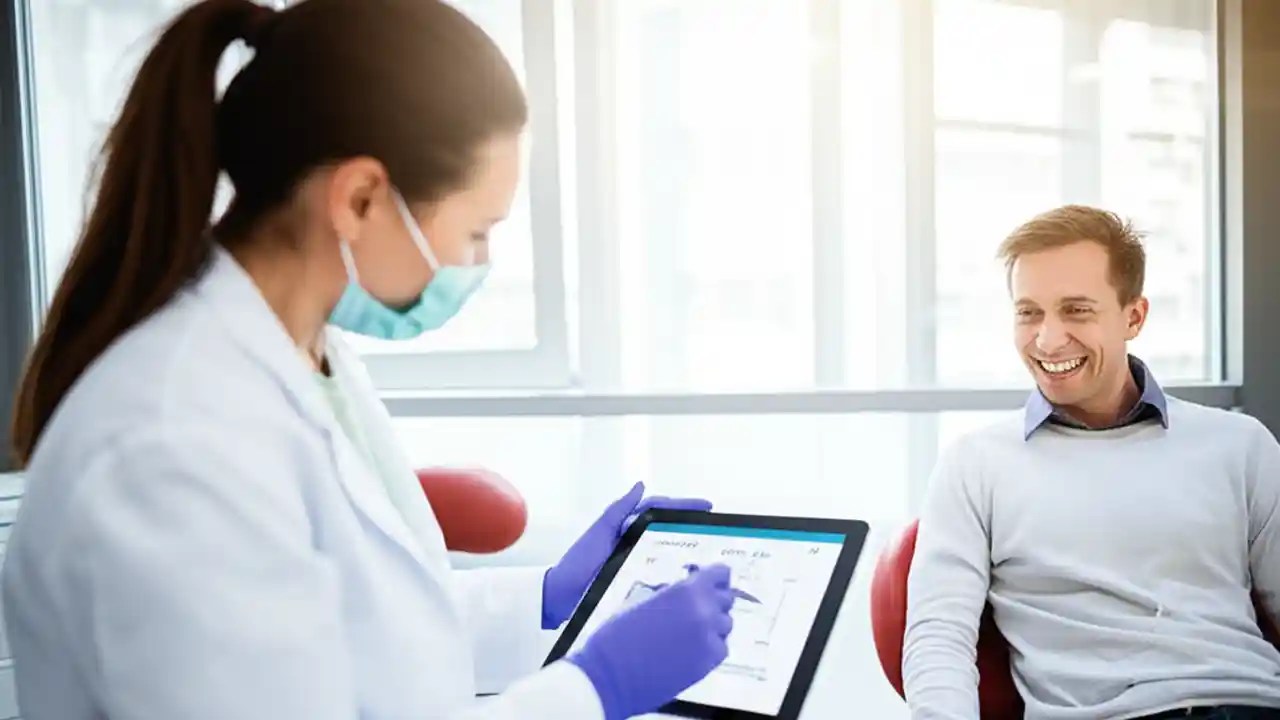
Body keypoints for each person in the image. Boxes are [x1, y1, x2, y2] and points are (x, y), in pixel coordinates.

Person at [1, 1, 739, 718]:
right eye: (478, 230)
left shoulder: (305, 358)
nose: (476, 264)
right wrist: (593, 690)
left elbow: (360, 626)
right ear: (359, 199)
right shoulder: (176, 443)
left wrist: (549, 594)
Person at [901, 205, 1280, 719]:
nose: (1048, 339)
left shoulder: (1239, 444)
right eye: (1028, 312)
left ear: (1134, 317)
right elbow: (939, 638)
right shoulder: (976, 464)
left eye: (1076, 310)